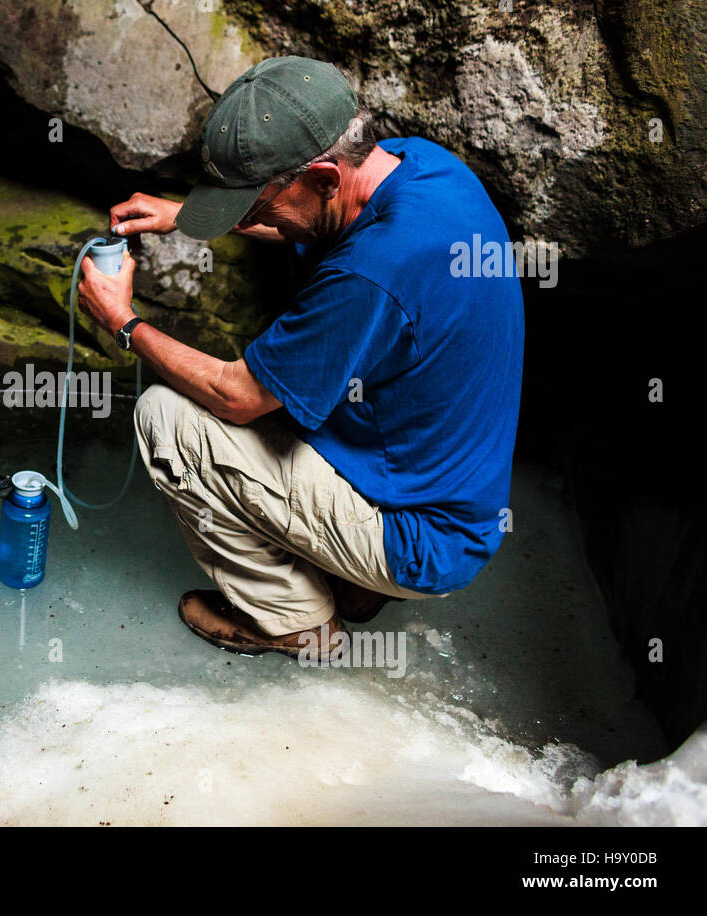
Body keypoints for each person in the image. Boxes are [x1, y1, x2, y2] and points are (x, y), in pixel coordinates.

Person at [76, 55, 524, 660]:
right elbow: (315, 227)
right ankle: (355, 587)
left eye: (255, 207)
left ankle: (296, 622)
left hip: (422, 541)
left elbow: (238, 395)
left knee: (167, 418)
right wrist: (181, 216)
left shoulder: (373, 272)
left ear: (323, 177)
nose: (252, 220)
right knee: (300, 386)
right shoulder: (421, 167)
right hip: (441, 487)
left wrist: (122, 322)